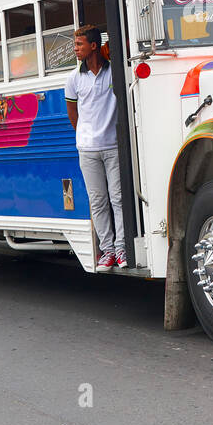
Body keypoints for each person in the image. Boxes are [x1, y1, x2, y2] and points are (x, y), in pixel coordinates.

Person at [64, 25, 125, 270]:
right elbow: (73, 113)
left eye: (79, 45)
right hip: (88, 149)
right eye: (75, 44)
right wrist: (85, 136)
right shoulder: (74, 78)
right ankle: (108, 251)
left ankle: (121, 249)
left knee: (118, 199)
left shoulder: (114, 73)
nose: (75, 49)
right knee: (98, 201)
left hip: (113, 146)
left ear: (93, 46)